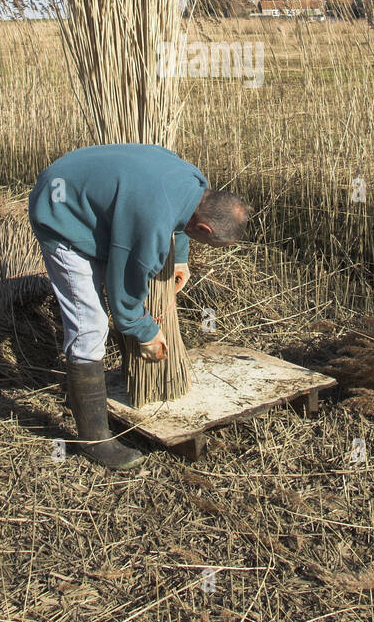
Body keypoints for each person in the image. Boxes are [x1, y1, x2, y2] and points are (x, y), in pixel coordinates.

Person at [29, 144, 251, 469]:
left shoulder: (195, 183)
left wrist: (181, 259)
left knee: (119, 265)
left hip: (84, 188)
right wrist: (144, 330)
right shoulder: (150, 220)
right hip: (59, 210)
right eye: (210, 242)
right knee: (89, 326)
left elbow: (181, 216)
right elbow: (123, 289)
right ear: (204, 229)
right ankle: (94, 440)